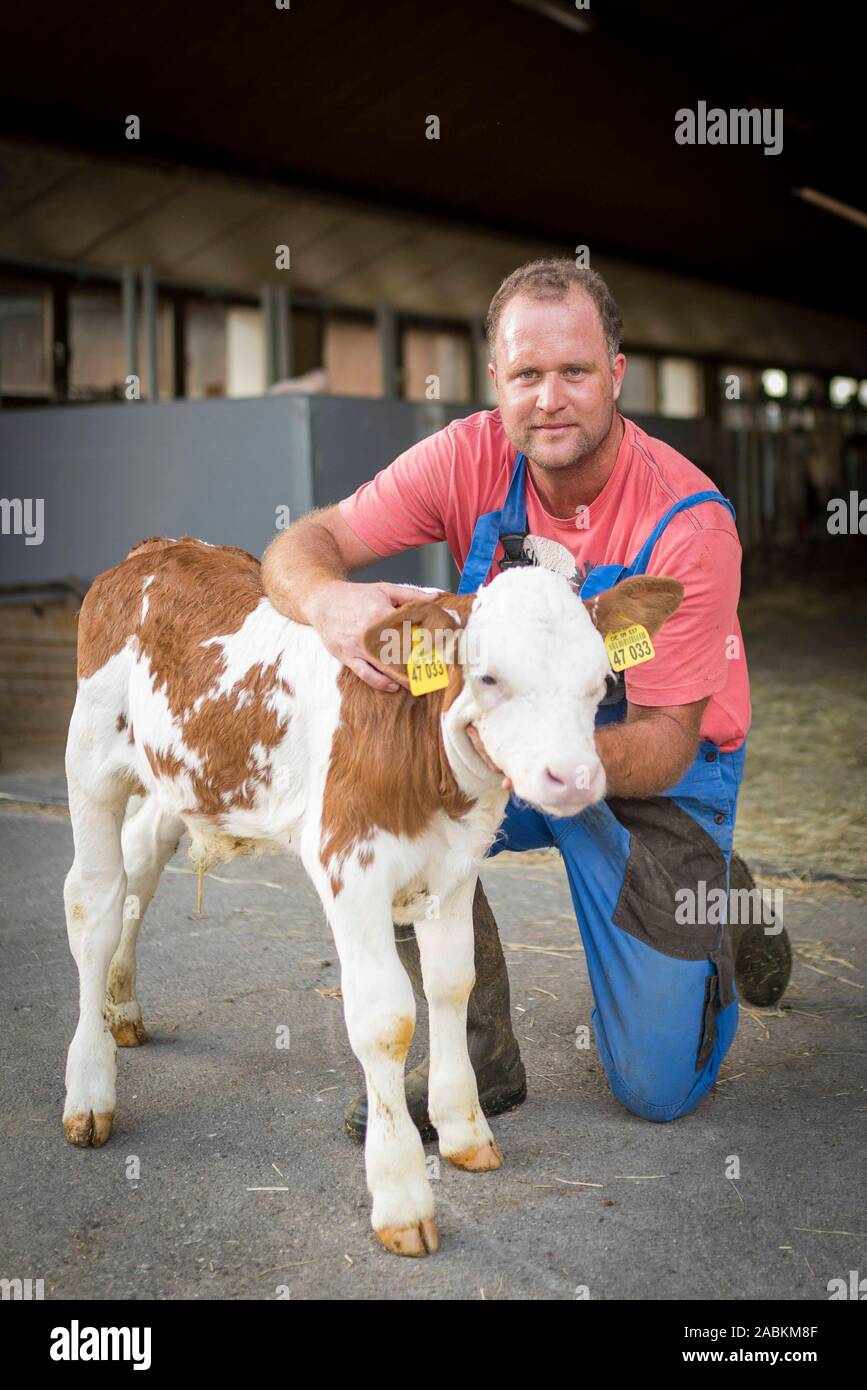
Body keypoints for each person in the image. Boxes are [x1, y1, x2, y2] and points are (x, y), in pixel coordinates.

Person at [262, 258, 791, 1142]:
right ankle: (476, 1054)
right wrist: (327, 601)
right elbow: (308, 541)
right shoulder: (467, 456)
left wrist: (537, 752)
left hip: (649, 775)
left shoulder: (686, 524)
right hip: (509, 752)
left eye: (575, 373)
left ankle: (727, 901)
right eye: (526, 375)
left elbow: (661, 742)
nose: (550, 398)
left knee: (656, 1088)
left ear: (616, 375)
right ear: (496, 383)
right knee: (380, 803)